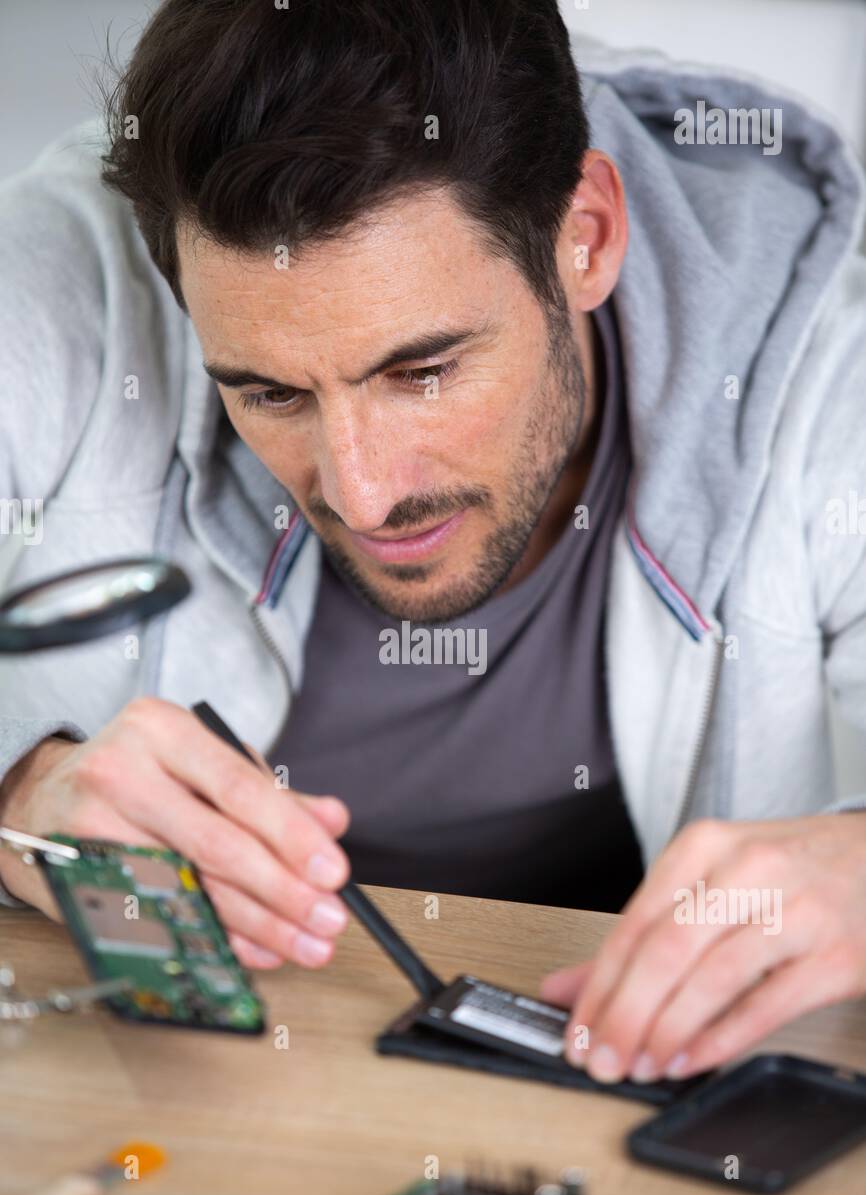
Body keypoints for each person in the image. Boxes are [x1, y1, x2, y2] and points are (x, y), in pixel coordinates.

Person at [1, 0, 864, 1088]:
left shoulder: (815, 340)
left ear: (584, 235)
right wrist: (19, 800)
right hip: (183, 1104)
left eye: (422, 372)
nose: (362, 494)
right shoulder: (64, 269)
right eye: (267, 392)